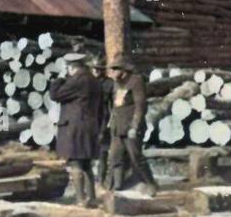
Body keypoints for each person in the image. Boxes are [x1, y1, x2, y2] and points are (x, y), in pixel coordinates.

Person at [48, 53, 102, 206]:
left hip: (75, 127)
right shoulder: (93, 80)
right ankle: (91, 199)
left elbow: (55, 94)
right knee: (86, 164)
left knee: (75, 163)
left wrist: (59, 78)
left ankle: (80, 200)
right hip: (89, 125)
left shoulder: (77, 80)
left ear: (71, 67)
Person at [106, 56, 157, 195]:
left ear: (123, 69)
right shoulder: (116, 83)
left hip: (130, 127)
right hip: (118, 126)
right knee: (115, 156)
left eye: (115, 69)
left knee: (136, 157)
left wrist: (135, 126)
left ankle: (150, 184)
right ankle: (117, 185)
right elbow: (114, 105)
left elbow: (140, 106)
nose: (112, 72)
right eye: (112, 68)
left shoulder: (135, 81)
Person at [91, 56, 113, 187]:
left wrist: (108, 123)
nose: (96, 72)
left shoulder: (109, 84)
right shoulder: (89, 82)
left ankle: (101, 178)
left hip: (103, 119)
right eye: (95, 69)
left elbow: (112, 105)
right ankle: (93, 177)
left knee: (103, 151)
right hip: (90, 120)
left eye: (99, 69)